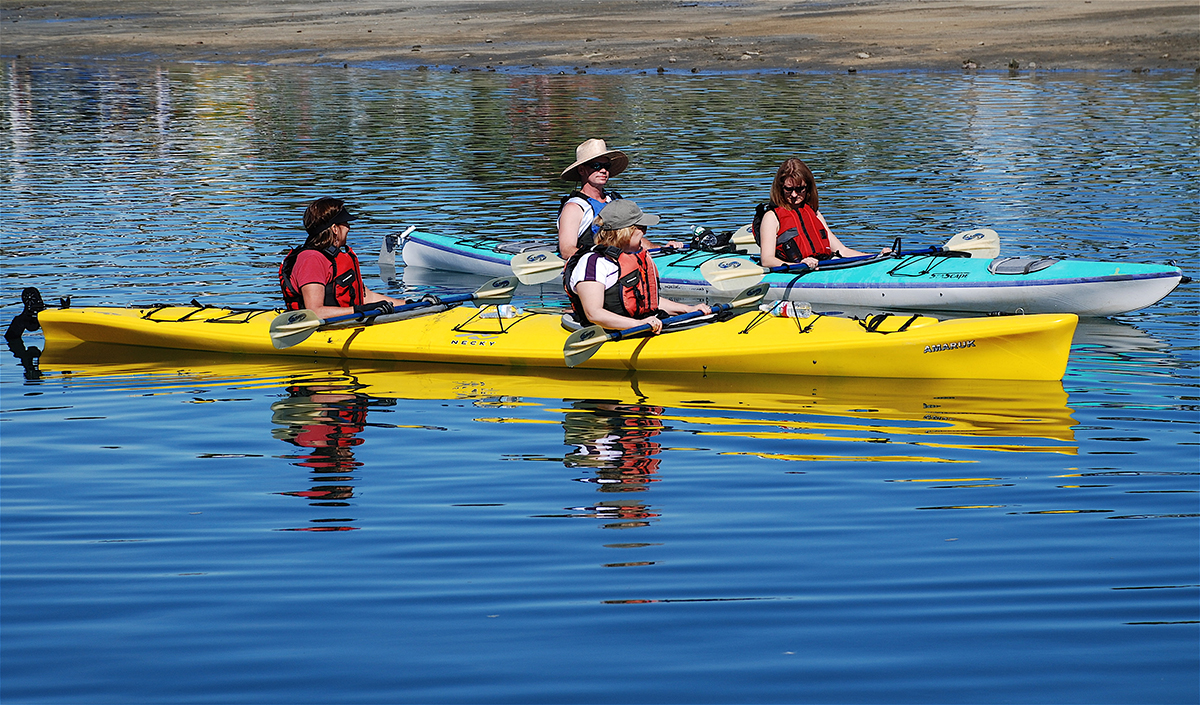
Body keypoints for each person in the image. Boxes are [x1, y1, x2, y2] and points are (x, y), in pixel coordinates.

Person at [564, 200, 710, 334]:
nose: (646, 232)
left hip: (642, 324)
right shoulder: (593, 263)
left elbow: (648, 301)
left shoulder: (634, 258)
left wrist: (688, 309)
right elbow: (594, 314)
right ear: (625, 232)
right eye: (642, 227)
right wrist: (637, 324)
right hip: (609, 331)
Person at [279, 197, 409, 319]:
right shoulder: (311, 260)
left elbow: (366, 297)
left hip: (349, 320)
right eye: (345, 223)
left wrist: (409, 304)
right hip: (321, 329)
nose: (349, 227)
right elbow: (314, 312)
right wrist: (359, 311)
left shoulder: (335, 257)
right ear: (335, 228)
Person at [756, 158, 889, 270]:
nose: (794, 195)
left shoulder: (814, 213)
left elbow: (842, 250)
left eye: (800, 189)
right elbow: (767, 260)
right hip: (796, 269)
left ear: (808, 187)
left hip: (823, 265)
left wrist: (876, 257)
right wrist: (798, 265)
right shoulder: (772, 217)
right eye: (788, 189)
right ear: (781, 188)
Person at [556, 138, 630, 260]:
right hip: (594, 266)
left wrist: (661, 248)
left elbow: (633, 236)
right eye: (596, 166)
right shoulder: (574, 208)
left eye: (606, 166)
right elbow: (566, 250)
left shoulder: (614, 201)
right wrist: (604, 258)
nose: (603, 171)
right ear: (582, 170)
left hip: (620, 260)